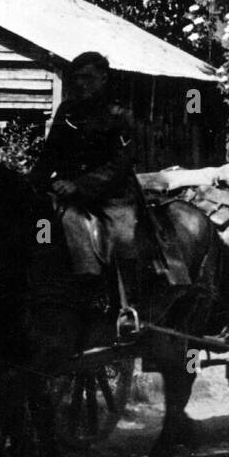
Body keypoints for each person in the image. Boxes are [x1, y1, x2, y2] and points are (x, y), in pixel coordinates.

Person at [31, 51, 142, 314]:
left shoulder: (120, 114)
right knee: (36, 222)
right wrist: (30, 182)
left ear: (104, 78)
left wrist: (80, 185)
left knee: (124, 241)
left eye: (88, 78)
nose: (82, 84)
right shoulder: (68, 110)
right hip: (67, 191)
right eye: (78, 78)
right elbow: (50, 154)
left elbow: (121, 164)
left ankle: (122, 304)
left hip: (113, 194)